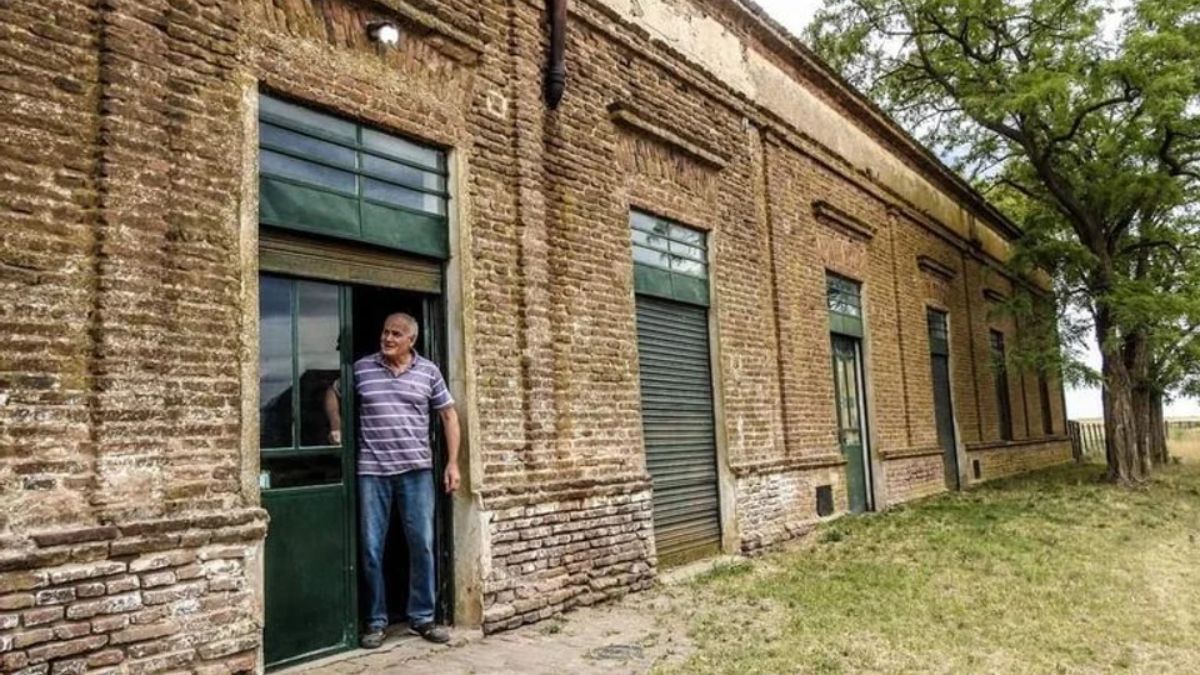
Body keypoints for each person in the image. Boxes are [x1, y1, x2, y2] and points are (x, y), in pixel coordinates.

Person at [327, 313, 460, 647]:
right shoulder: (361, 369)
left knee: (423, 545)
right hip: (372, 471)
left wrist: (453, 463)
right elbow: (332, 394)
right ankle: (374, 622)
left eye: (396, 334)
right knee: (371, 548)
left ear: (410, 340)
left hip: (417, 471)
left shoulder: (428, 371)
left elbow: (448, 415)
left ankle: (423, 618)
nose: (387, 338)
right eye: (385, 332)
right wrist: (336, 426)